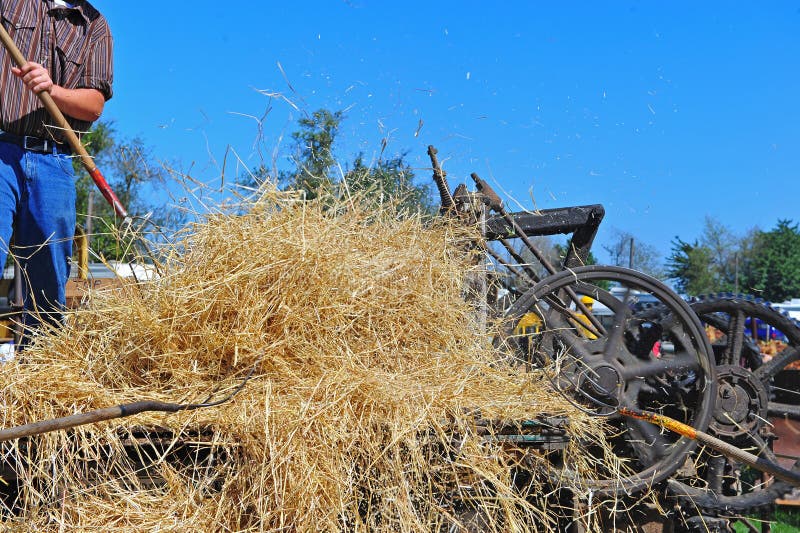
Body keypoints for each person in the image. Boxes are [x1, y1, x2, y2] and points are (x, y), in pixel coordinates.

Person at [0, 0, 112, 340]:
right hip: (1, 150)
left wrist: (52, 90)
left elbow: (93, 105)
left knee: (48, 280)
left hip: (55, 159)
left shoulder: (95, 27)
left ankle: (38, 380)